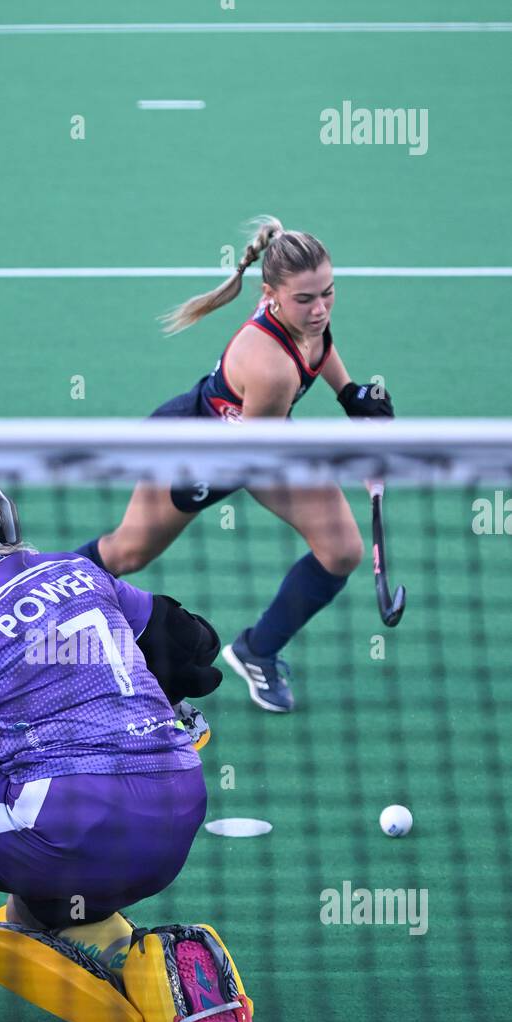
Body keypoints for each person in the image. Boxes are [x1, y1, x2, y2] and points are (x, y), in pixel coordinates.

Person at [0, 479, 222, 946]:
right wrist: (172, 697)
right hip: (179, 810)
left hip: (74, 831)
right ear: (3, 519)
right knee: (35, 857)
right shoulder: (76, 568)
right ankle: (63, 923)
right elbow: (193, 643)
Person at [76, 216, 394, 712]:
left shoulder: (309, 320)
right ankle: (37, 592)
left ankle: (256, 651)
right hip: (194, 447)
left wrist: (351, 395)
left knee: (341, 551)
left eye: (327, 294)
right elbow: (261, 454)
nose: (320, 309)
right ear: (271, 295)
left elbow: (319, 351)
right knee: (128, 553)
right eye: (305, 300)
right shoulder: (268, 367)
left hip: (255, 439)